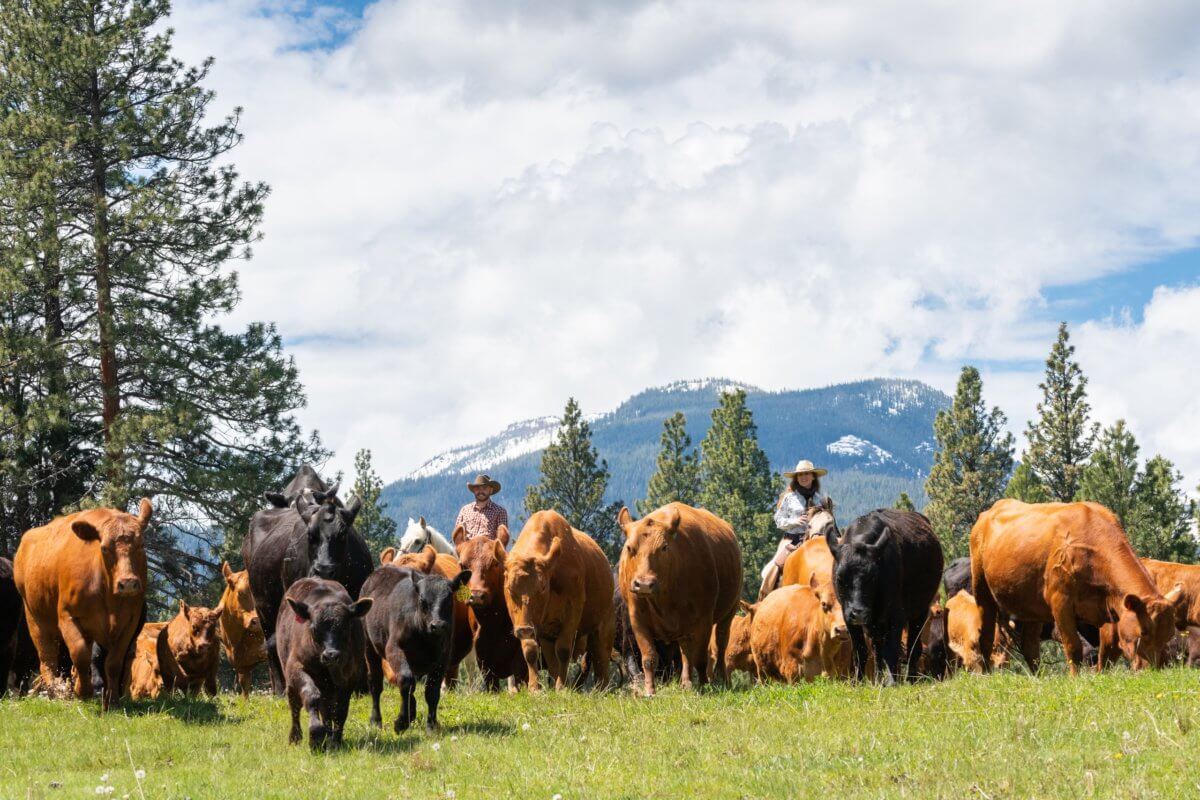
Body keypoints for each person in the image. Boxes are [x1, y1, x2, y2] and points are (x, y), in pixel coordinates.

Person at [757, 460, 831, 599]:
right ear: (796, 478)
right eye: (800, 474)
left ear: (813, 476)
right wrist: (794, 522)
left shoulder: (821, 500)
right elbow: (778, 520)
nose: (804, 477)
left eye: (807, 474)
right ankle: (764, 599)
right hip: (792, 539)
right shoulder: (789, 498)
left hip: (816, 541)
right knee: (772, 569)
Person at [454, 474, 509, 541]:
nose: (480, 491)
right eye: (477, 488)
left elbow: (502, 539)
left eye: (484, 488)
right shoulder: (465, 510)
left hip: (488, 549)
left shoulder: (500, 512)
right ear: (474, 491)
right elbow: (457, 534)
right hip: (467, 548)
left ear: (490, 490)